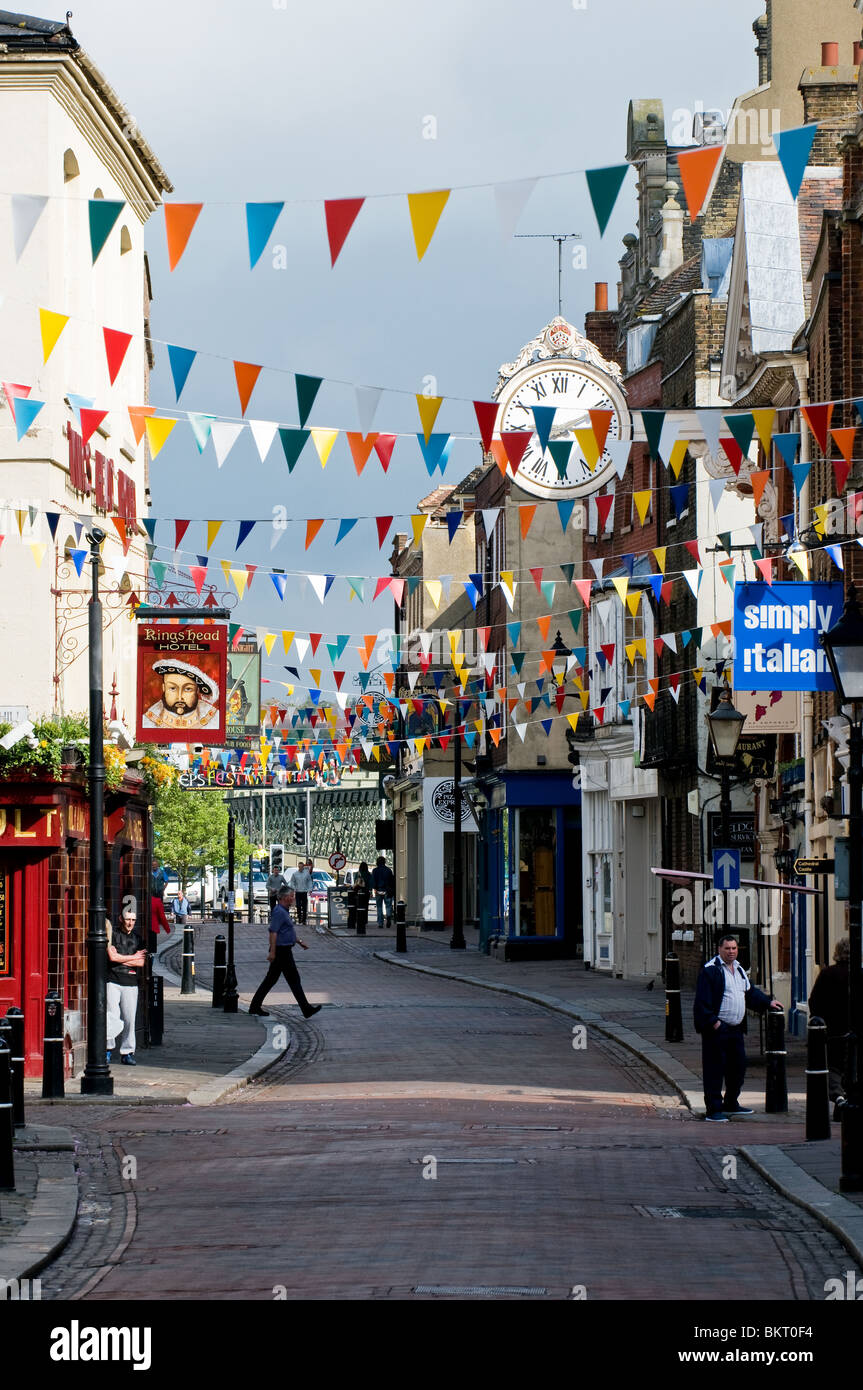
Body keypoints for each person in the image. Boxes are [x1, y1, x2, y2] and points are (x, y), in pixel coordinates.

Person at [693, 934, 782, 1121]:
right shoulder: (711, 971)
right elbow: (701, 1003)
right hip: (717, 1030)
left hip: (735, 1030)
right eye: (727, 948)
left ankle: (731, 1103)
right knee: (714, 1071)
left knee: (738, 1069)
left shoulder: (740, 970)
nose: (731, 952)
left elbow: (749, 994)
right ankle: (714, 1110)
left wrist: (768, 1003)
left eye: (734, 948)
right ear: (719, 949)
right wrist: (714, 1023)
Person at [248, 887, 321, 1020]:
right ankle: (306, 1009)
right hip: (282, 952)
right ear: (284, 897)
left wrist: (299, 941)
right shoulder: (279, 912)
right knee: (293, 980)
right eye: (292, 896)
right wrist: (273, 952)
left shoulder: (283, 911)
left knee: (271, 980)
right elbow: (273, 932)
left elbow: (286, 931)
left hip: (284, 950)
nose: (293, 898)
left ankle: (254, 1006)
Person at [808, 937, 850, 1113]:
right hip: (854, 1029)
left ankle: (838, 1097)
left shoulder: (827, 974)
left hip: (832, 1030)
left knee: (833, 1066)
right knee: (851, 1065)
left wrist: (819, 1022)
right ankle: (846, 1099)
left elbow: (814, 1001)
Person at [107, 903, 147, 1066]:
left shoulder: (138, 939)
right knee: (111, 1016)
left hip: (131, 983)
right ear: (120, 919)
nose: (130, 922)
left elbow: (141, 963)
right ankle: (108, 1050)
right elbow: (112, 958)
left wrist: (122, 958)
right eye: (127, 919)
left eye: (133, 919)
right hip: (112, 980)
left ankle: (127, 1052)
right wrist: (132, 957)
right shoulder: (113, 935)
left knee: (130, 1019)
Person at [141, 659, 220, 732]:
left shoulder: (214, 718)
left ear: (197, 690)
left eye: (188, 689)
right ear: (164, 688)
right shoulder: (148, 721)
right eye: (172, 688)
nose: (179, 697)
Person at [372, 855, 395, 929]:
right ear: (384, 862)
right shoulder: (388, 870)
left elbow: (373, 881)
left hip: (378, 890)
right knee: (388, 906)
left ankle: (380, 923)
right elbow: (392, 881)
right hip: (387, 891)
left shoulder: (375, 870)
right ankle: (388, 916)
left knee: (379, 907)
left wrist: (374, 888)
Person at [291, 859, 313, 924]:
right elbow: (292, 882)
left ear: (303, 867)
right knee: (298, 905)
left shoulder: (306, 874)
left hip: (304, 892)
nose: (300, 868)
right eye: (299, 866)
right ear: (298, 867)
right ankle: (299, 918)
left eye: (301, 866)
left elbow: (309, 881)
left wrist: (310, 889)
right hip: (298, 892)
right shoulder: (295, 874)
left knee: (304, 906)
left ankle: (304, 919)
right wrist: (294, 888)